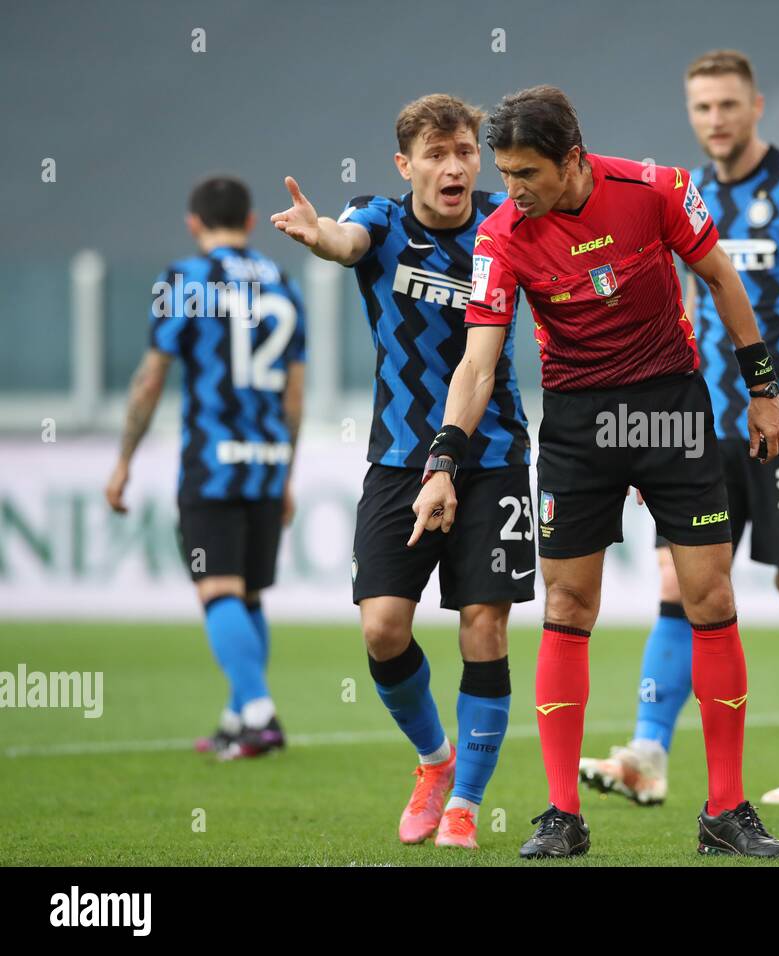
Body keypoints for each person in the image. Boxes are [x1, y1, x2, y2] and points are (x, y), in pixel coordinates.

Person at [410, 84, 779, 859]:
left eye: (525, 173)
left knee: (710, 595)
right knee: (569, 604)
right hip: (580, 425)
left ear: (573, 161)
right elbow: (479, 365)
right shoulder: (501, 235)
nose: (509, 188)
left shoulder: (654, 191)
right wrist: (444, 456)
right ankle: (561, 816)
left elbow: (721, 277)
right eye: (505, 172)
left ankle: (726, 810)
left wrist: (762, 388)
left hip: (672, 409)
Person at [578, 49, 779, 809]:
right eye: (703, 107)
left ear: (757, 106)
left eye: (728, 105)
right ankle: (646, 752)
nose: (716, 120)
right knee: (680, 581)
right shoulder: (686, 193)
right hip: (697, 430)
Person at [271, 94, 533, 851]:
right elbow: (347, 242)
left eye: (464, 152)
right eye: (436, 154)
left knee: (484, 627)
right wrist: (321, 236)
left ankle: (467, 806)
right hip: (399, 459)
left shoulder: (504, 223)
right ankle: (434, 761)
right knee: (384, 629)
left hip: (493, 456)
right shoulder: (381, 219)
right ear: (405, 164)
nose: (454, 167)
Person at [106, 175, 305, 760]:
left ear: (194, 224)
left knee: (218, 589)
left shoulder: (183, 280)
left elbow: (150, 380)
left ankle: (261, 715)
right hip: (267, 461)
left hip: (214, 462)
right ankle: (239, 716)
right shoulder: (285, 284)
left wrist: (122, 460)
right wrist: (287, 471)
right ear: (250, 222)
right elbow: (295, 395)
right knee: (245, 596)